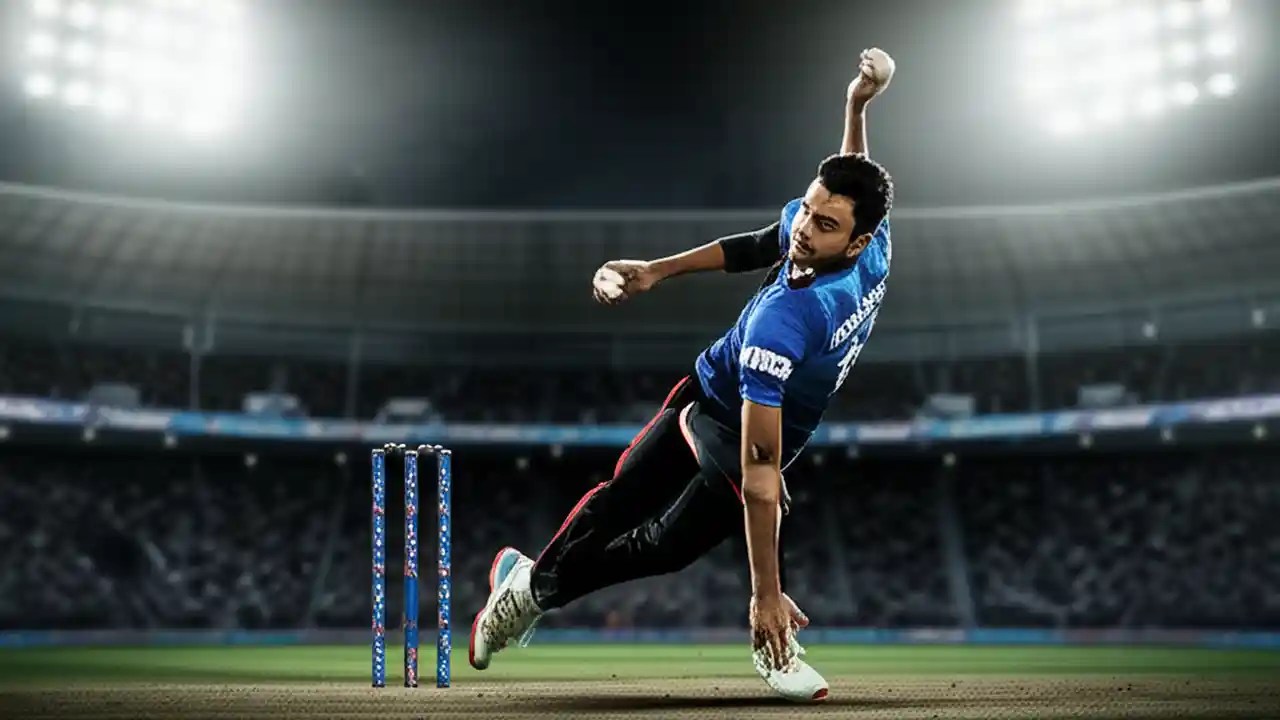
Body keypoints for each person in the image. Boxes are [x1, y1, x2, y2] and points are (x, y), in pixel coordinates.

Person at [469, 49, 896, 703]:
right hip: (716, 403)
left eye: (826, 222)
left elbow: (808, 210)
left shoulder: (875, 246)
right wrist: (766, 596)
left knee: (665, 549)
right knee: (629, 504)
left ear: (862, 240)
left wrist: (856, 106)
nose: (804, 229)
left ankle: (527, 587)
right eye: (806, 212)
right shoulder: (781, 321)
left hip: (767, 417)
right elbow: (758, 475)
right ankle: (774, 645)